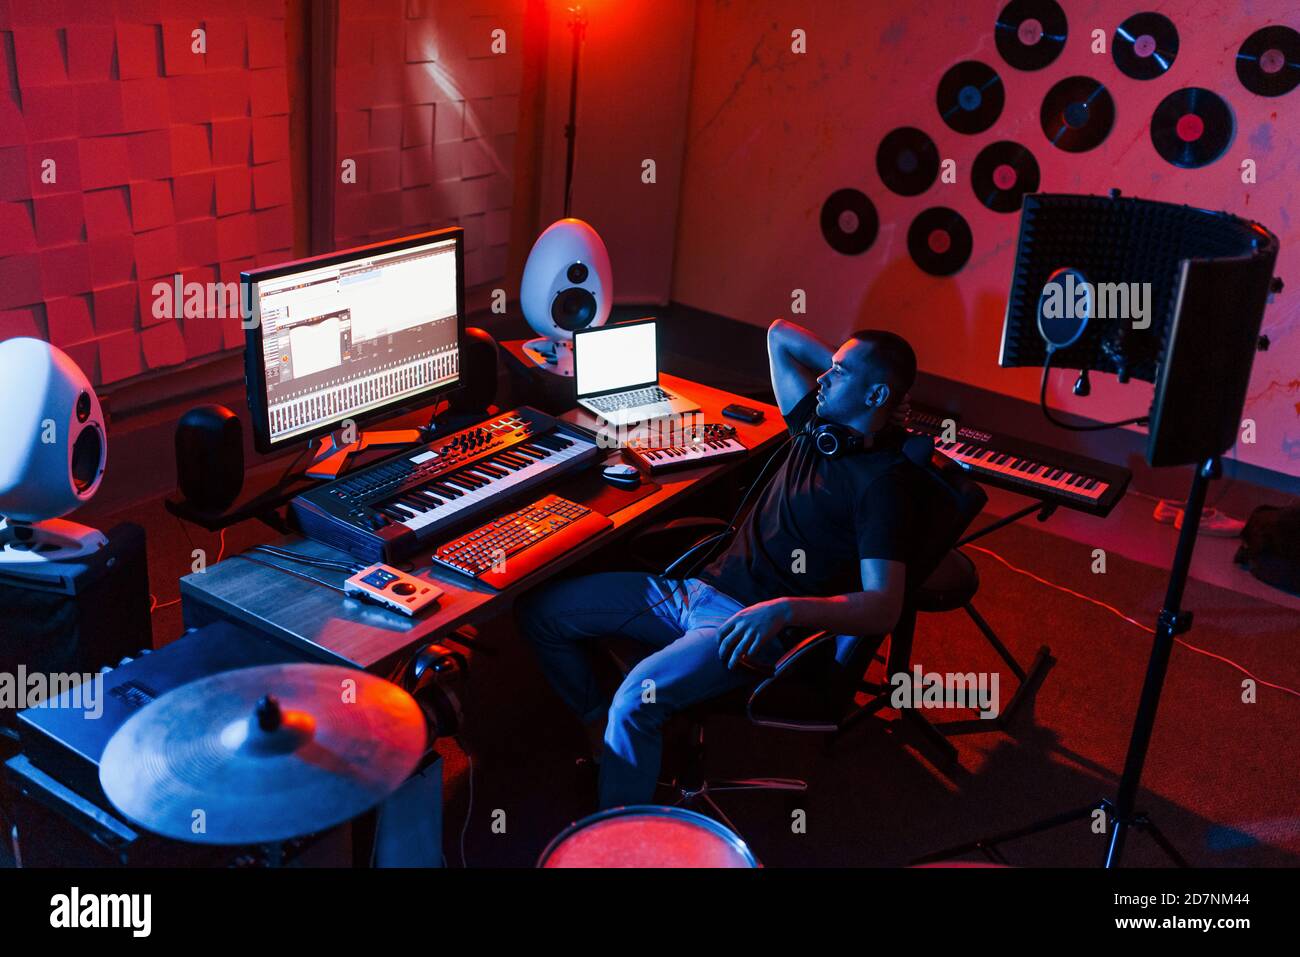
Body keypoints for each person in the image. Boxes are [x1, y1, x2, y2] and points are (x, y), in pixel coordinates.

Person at [515, 318, 920, 809]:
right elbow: (779, 334)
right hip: (690, 590)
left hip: (745, 625)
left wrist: (786, 610)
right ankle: (603, 734)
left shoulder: (884, 487)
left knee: (634, 702)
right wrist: (853, 375)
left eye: (838, 373)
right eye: (828, 368)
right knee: (542, 612)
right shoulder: (817, 429)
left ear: (876, 395)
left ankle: (618, 843)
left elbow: (883, 607)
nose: (821, 379)